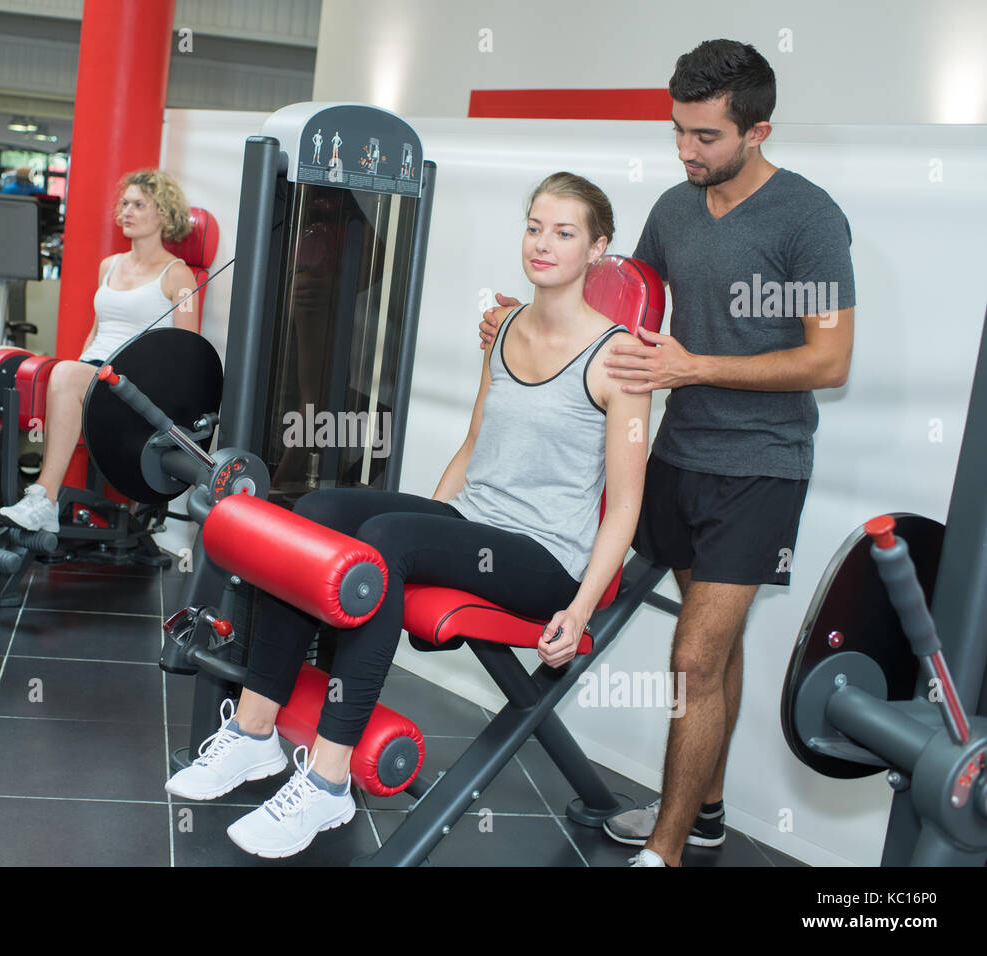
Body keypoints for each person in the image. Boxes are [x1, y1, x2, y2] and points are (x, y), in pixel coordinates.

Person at [165, 172, 652, 859]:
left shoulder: (619, 358)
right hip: (477, 523)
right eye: (535, 227)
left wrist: (581, 608)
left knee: (388, 541)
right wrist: (435, 522)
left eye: (564, 233)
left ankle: (329, 783)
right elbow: (476, 443)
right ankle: (253, 735)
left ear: (597, 249)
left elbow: (625, 504)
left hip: (544, 561)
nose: (543, 244)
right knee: (319, 510)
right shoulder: (507, 325)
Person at [479, 40, 856, 866]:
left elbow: (830, 360)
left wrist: (695, 366)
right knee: (712, 652)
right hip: (677, 457)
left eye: (706, 138)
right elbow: (609, 308)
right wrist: (522, 316)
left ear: (757, 132)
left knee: (693, 654)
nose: (687, 151)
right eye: (678, 132)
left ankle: (667, 849)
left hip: (761, 466)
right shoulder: (677, 208)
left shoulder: (809, 218)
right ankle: (709, 811)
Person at [0, 169, 199, 532]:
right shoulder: (109, 266)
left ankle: (44, 500)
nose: (126, 210)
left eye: (139, 204)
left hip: (134, 390)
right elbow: (97, 331)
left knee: (65, 373)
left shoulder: (179, 276)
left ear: (164, 213)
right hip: (89, 374)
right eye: (124, 203)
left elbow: (188, 353)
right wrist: (72, 373)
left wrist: (164, 408)